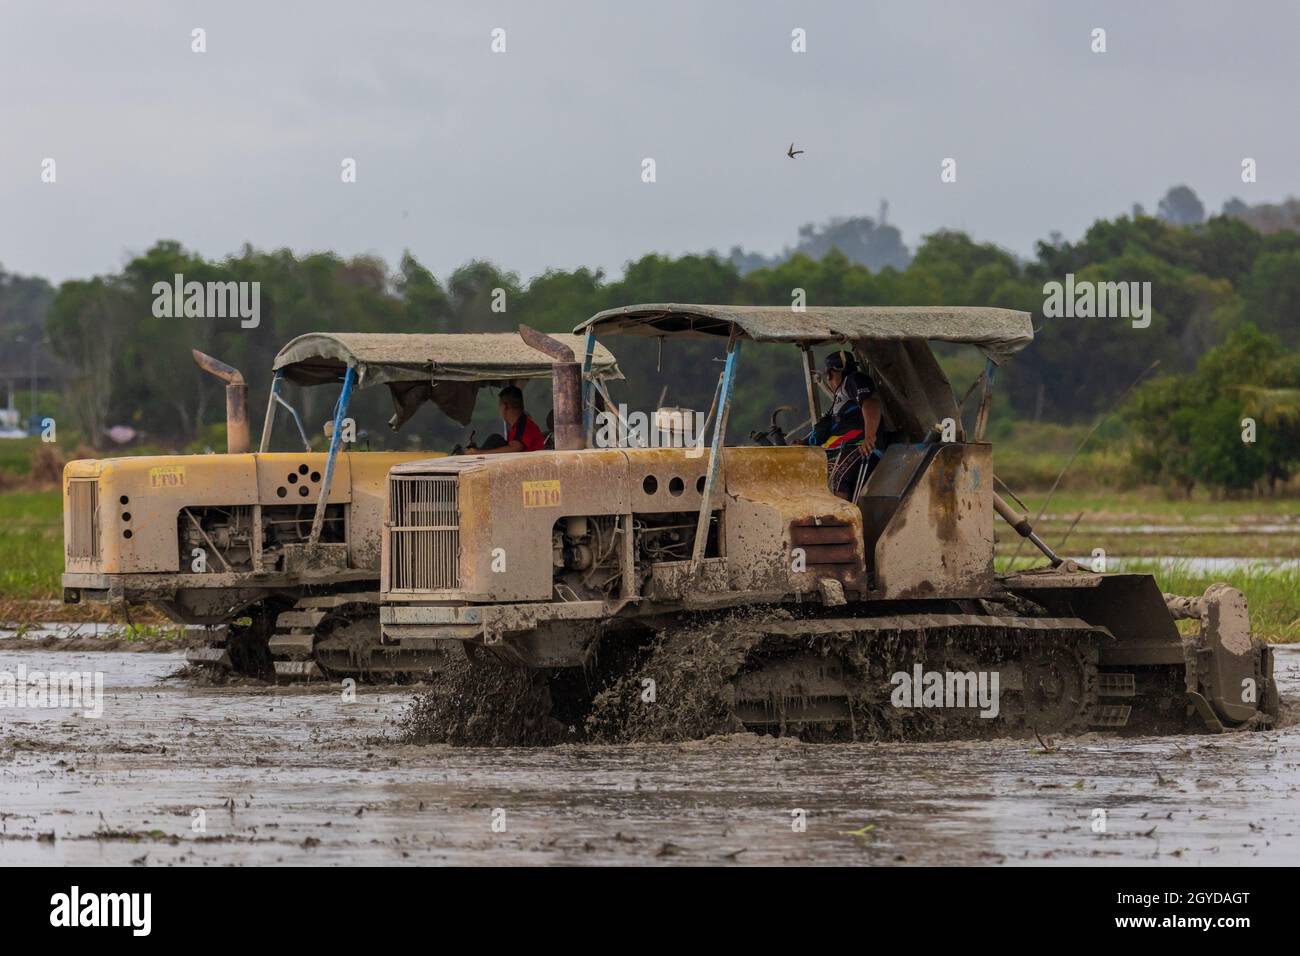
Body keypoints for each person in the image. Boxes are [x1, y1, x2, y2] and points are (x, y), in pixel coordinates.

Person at [809, 350, 882, 499]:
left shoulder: (853, 380)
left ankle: (839, 519)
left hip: (859, 447)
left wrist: (869, 437)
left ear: (831, 373)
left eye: (829, 375)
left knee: (836, 479)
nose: (829, 379)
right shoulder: (839, 397)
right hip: (838, 449)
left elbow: (871, 403)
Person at [467, 385, 545, 455]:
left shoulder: (523, 424)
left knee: (495, 440)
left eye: (499, 405)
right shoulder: (516, 426)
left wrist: (480, 453)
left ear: (505, 407)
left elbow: (515, 448)